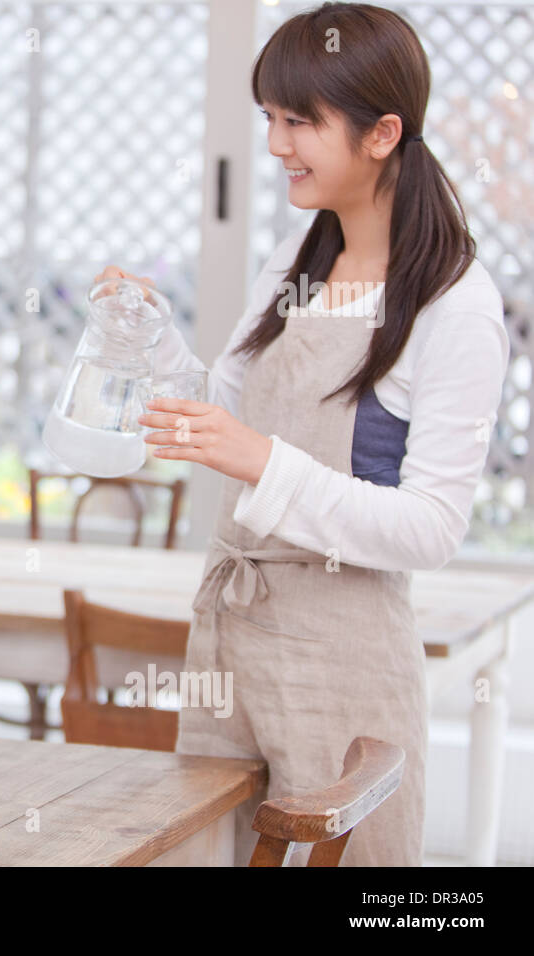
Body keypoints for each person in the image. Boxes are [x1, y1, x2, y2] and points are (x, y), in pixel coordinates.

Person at [98, 2, 508, 866]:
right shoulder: (298, 257)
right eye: (270, 121)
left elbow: (431, 526)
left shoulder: (453, 304)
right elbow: (225, 407)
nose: (277, 145)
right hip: (232, 637)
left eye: (300, 122)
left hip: (344, 662)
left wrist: (263, 464)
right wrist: (150, 332)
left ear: (382, 133)